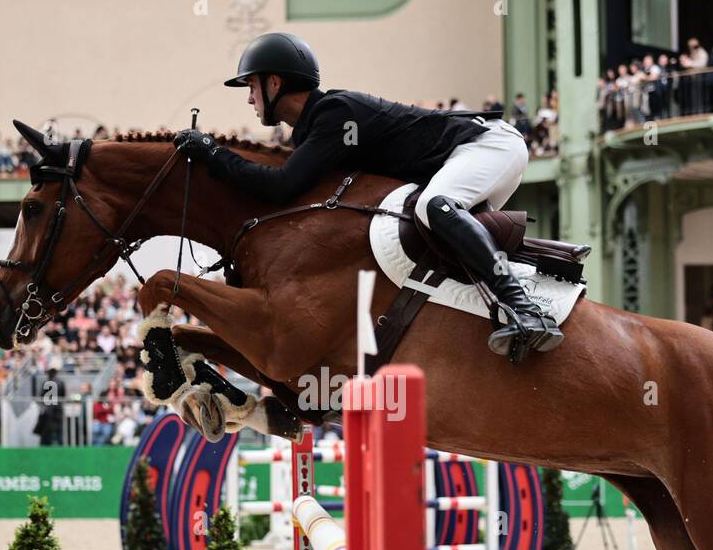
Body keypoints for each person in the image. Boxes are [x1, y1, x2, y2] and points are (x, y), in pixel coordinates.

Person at [172, 31, 563, 359]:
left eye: (252, 86)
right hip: (467, 157)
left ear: (275, 83)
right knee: (430, 236)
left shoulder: (334, 114)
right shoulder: (314, 130)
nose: (249, 98)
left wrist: (211, 152)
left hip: (488, 145)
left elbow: (279, 186)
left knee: (433, 207)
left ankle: (524, 310)